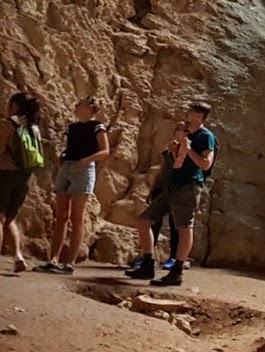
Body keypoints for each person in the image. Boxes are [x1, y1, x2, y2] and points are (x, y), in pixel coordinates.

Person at [126, 102, 215, 287]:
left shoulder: (206, 137)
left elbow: (206, 164)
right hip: (173, 186)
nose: (187, 115)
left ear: (199, 117)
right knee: (144, 221)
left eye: (191, 113)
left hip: (188, 187)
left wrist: (188, 148)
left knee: (184, 228)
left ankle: (177, 271)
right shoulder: (189, 135)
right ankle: (148, 263)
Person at [40, 100, 109, 274]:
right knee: (61, 215)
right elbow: (71, 146)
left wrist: (86, 161)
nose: (76, 107)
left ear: (89, 108)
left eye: (80, 105)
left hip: (84, 169)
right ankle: (53, 259)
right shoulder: (72, 127)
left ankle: (70, 263)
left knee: (77, 217)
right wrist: (63, 155)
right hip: (67, 167)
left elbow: (105, 150)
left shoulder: (97, 126)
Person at [0, 94, 44, 273]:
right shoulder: (34, 127)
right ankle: (18, 256)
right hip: (25, 176)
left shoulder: (9, 123)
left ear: (15, 105)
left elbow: (0, 149)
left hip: (5, 174)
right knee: (10, 218)